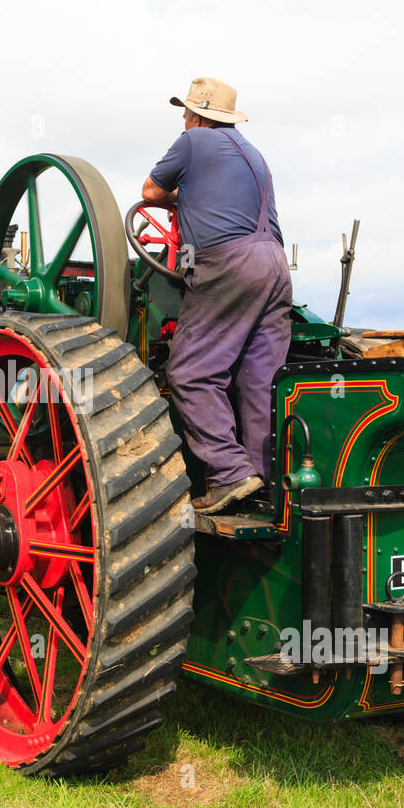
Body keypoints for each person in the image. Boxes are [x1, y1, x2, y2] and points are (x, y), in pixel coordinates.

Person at [142, 77, 293, 514]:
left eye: (187, 113)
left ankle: (229, 473)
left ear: (198, 116)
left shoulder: (192, 142)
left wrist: (179, 198)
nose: (185, 119)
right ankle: (264, 482)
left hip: (228, 264)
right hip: (275, 266)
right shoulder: (256, 155)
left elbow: (149, 192)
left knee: (189, 371)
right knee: (260, 381)